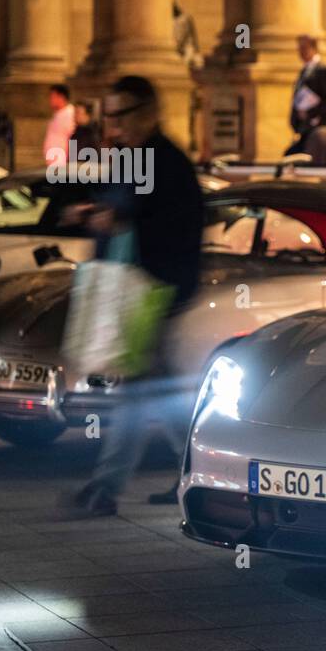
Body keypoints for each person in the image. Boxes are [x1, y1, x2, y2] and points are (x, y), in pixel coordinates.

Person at [60, 75, 204, 518]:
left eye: (119, 116)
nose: (112, 125)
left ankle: (104, 488)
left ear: (147, 113)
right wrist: (97, 212)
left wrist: (109, 216)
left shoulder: (164, 160)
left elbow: (143, 212)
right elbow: (120, 205)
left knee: (138, 392)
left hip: (154, 290)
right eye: (108, 116)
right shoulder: (134, 157)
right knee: (159, 385)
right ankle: (194, 475)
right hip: (137, 289)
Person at [287, 34, 326, 153]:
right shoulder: (304, 71)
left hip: (319, 128)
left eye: (304, 48)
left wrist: (309, 113)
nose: (301, 52)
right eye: (299, 49)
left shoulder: (324, 70)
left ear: (314, 48)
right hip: (305, 128)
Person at [43, 83, 76, 167]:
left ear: (61, 97)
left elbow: (72, 137)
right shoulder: (58, 114)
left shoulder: (69, 113)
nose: (50, 100)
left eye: (52, 96)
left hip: (62, 163)